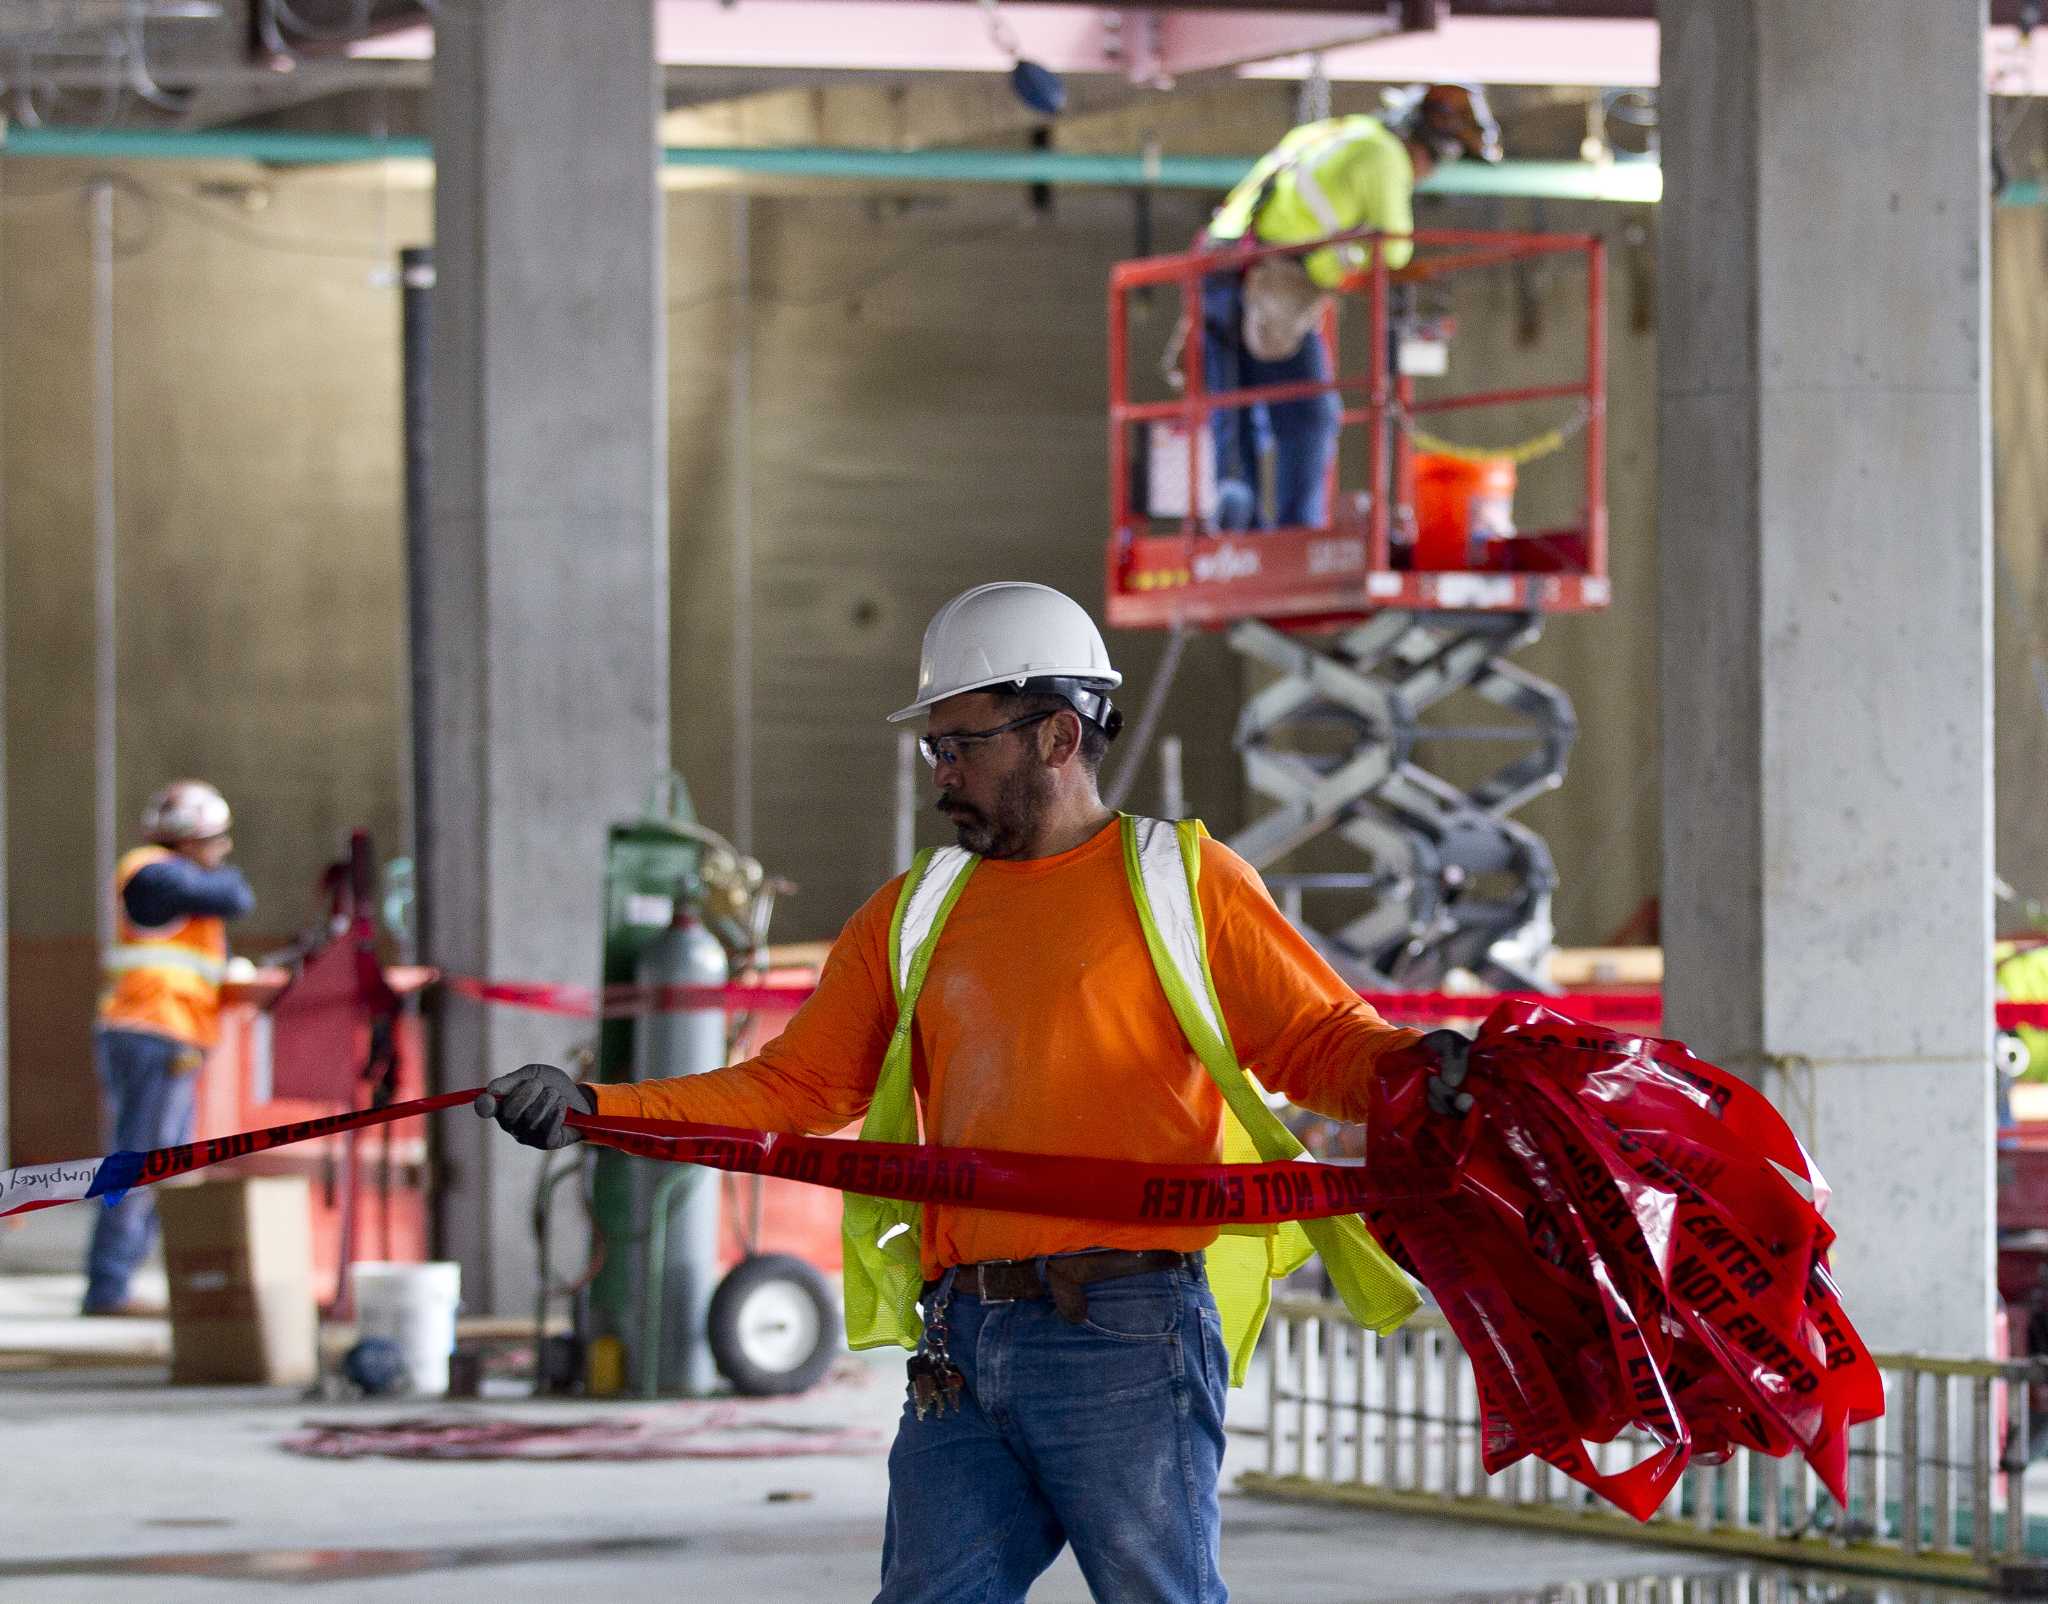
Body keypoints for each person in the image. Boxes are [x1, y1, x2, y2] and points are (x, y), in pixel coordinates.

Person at [478, 581, 1469, 1604]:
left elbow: (1314, 1037)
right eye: (933, 748)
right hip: (960, 1340)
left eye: (960, 744)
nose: (940, 774)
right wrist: (599, 1107)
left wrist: (1413, 1073)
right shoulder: (914, 909)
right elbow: (795, 1085)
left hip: (1123, 1331)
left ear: (1053, 734)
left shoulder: (1181, 879)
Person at [1198, 83, 1502, 533]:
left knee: (1237, 411)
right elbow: (1393, 255)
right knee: (1310, 417)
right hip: (1267, 282)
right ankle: (1295, 532)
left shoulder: (1342, 131)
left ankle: (1237, 522)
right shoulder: (1385, 157)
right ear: (1431, 151)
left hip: (1218, 268)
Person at [84, 780, 254, 1315]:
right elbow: (235, 896)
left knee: (155, 1163)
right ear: (191, 838)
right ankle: (109, 1287)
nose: (222, 849)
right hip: (153, 1031)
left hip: (159, 1031)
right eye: (215, 838)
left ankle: (117, 1282)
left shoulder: (168, 878)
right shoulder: (153, 874)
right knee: (140, 1164)